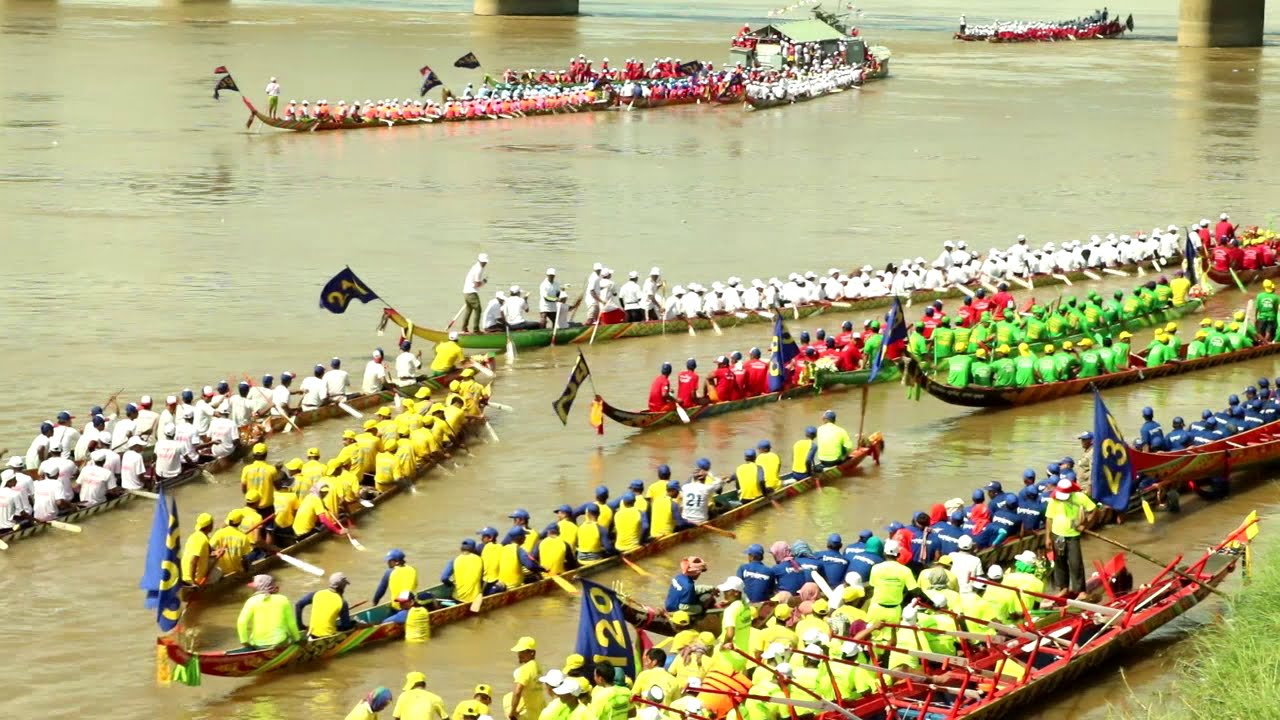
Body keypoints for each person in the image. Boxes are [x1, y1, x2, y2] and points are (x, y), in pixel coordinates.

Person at [1044, 477, 1097, 595]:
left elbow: (1093, 509)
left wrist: (1086, 525)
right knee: (1059, 563)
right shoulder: (1054, 499)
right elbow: (1049, 518)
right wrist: (1047, 537)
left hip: (1073, 535)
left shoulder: (1079, 497)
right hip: (1057, 535)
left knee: (1075, 563)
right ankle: (1064, 588)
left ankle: (1081, 591)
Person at [237, 574, 302, 649]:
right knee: (287, 633)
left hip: (258, 645)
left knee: (252, 637)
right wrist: (298, 639)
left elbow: (241, 622)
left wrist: (244, 642)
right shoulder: (283, 599)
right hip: (280, 642)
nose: (253, 589)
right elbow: (291, 623)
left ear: (258, 587)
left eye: (254, 587)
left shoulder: (251, 601)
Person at [296, 572, 356, 639]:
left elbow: (298, 605)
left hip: (312, 634)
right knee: (353, 624)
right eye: (345, 586)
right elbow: (346, 627)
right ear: (342, 587)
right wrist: (354, 623)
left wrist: (300, 626)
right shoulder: (342, 602)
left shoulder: (316, 594)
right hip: (328, 637)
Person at [717, 575, 753, 670]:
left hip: (730, 656)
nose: (724, 593)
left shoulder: (730, 610)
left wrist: (723, 645)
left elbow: (730, 633)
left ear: (736, 593)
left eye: (727, 591)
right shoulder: (746, 607)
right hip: (743, 653)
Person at [509, 636, 545, 720]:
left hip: (527, 714)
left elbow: (517, 692)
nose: (519, 655)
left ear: (532, 653)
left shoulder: (524, 670)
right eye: (519, 652)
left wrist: (512, 711)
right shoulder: (538, 667)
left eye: (523, 652)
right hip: (540, 712)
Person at [680, 460, 722, 524]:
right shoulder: (710, 479)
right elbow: (719, 492)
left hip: (687, 513)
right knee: (723, 507)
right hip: (707, 508)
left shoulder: (689, 481)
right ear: (709, 468)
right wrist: (711, 475)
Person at [240, 443, 277, 515]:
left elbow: (243, 488)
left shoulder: (246, 469)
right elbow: (277, 486)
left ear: (253, 455)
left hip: (251, 505)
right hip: (267, 506)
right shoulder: (272, 469)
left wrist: (249, 496)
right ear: (266, 455)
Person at [180, 512, 215, 586]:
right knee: (219, 572)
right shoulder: (202, 539)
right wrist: (193, 582)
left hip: (183, 575)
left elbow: (208, 552)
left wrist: (216, 552)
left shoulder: (193, 536)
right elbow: (193, 561)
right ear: (209, 526)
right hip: (193, 579)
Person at [462, 253, 489, 333]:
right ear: (479, 261)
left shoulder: (476, 266)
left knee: (468, 310)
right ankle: (476, 329)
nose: (484, 263)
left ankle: (464, 328)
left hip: (466, 292)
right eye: (483, 262)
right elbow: (477, 284)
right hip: (471, 292)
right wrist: (484, 282)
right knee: (478, 309)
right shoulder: (478, 269)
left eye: (485, 262)